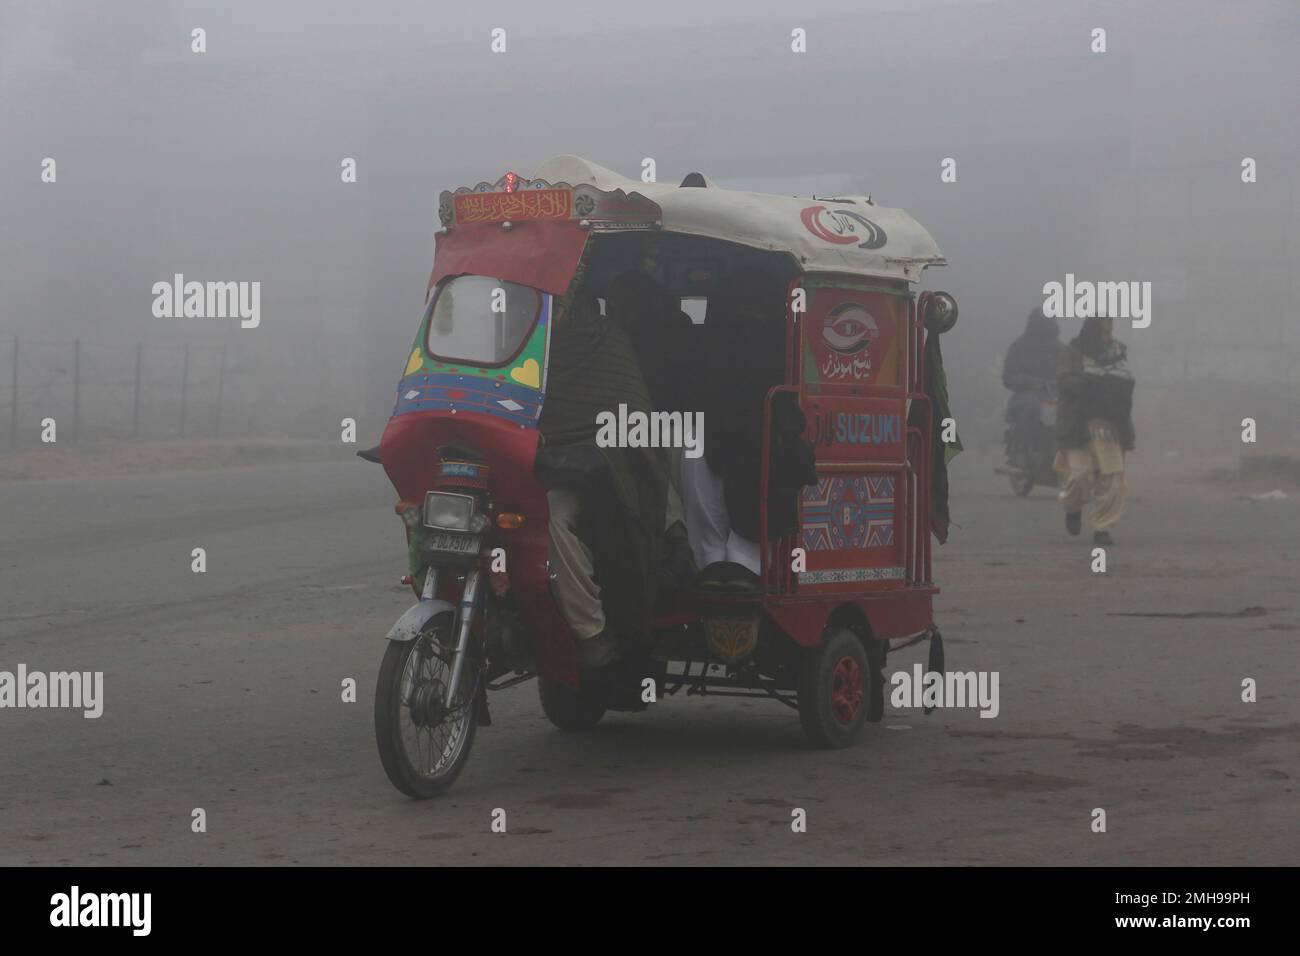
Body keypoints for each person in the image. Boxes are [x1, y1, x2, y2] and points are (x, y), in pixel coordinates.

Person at [536, 291, 668, 669]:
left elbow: (630, 419)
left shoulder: (606, 340)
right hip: (543, 462)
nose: (553, 313)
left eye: (559, 305)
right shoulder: (530, 345)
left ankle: (589, 629)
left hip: (609, 469)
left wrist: (594, 454)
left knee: (553, 517)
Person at [1054, 314, 1135, 545]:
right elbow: (1063, 381)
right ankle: (1073, 508)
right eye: (1104, 332)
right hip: (1077, 424)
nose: (1109, 337)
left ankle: (1103, 527)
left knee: (1112, 479)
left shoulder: (1118, 353)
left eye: (1110, 332)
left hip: (1109, 425)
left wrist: (1111, 388)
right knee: (1078, 475)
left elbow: (1125, 384)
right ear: (1092, 331)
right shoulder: (1072, 352)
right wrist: (1092, 384)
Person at [1002, 306, 1061, 436]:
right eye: (1042, 322)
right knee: (1030, 405)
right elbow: (1008, 377)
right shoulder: (1019, 347)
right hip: (1027, 395)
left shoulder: (1060, 349)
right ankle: (1025, 446)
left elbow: (1072, 373)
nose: (1045, 326)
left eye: (1048, 322)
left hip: (1054, 395)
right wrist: (1029, 381)